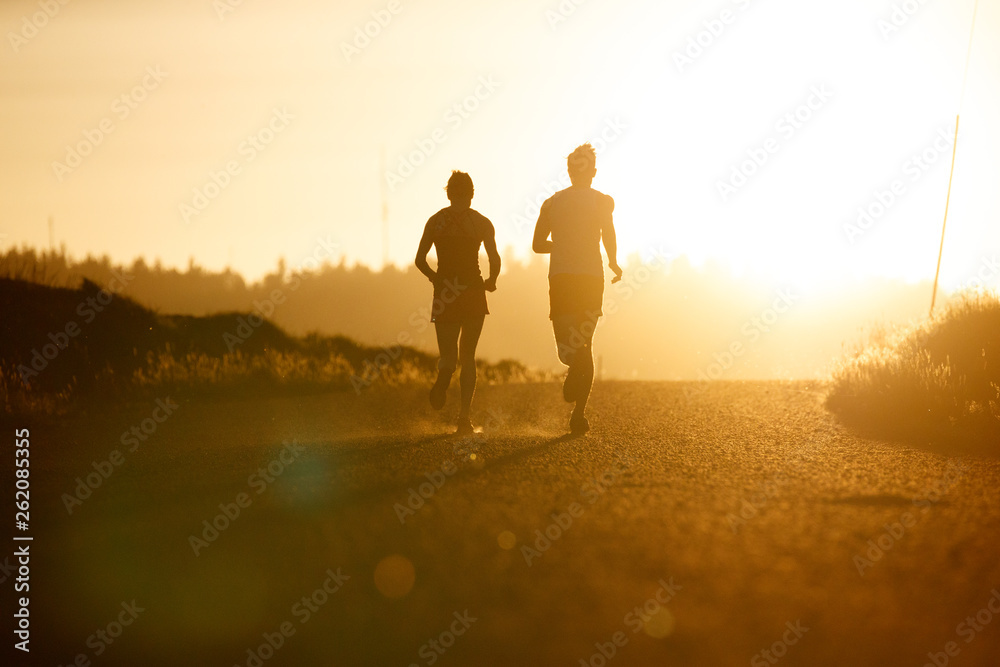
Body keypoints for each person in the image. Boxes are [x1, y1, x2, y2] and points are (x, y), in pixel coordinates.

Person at [532, 144, 622, 434]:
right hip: (591, 279)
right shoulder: (602, 202)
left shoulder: (551, 203)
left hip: (562, 280)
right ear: (594, 172)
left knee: (568, 350)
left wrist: (559, 245)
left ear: (569, 172)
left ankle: (578, 411)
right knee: (585, 345)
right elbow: (608, 234)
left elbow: (537, 244)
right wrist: (613, 262)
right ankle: (579, 411)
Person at [415, 171, 500, 434]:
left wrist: (435, 279)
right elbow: (494, 258)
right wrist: (491, 280)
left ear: (449, 193)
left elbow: (419, 260)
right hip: (474, 291)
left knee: (449, 356)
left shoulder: (435, 221)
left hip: (446, 293)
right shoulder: (482, 223)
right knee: (469, 357)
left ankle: (444, 373)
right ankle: (464, 418)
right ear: (472, 193)